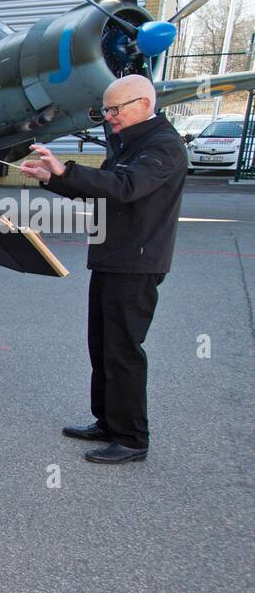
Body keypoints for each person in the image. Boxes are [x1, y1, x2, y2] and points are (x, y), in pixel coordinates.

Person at [20, 73, 187, 465]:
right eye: (106, 109)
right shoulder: (133, 142)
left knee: (124, 350)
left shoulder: (162, 146)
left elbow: (125, 186)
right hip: (114, 258)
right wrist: (53, 179)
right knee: (103, 346)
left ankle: (131, 437)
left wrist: (66, 171)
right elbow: (105, 185)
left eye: (115, 109)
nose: (108, 116)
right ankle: (108, 421)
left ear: (144, 104)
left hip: (136, 263)